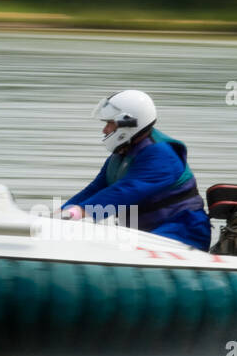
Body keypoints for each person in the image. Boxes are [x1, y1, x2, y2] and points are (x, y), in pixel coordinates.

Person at [62, 90, 211, 250]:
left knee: (113, 250)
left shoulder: (161, 154)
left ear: (128, 123)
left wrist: (80, 211)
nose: (105, 130)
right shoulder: (121, 154)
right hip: (147, 232)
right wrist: (62, 213)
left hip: (183, 231)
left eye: (110, 123)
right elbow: (95, 189)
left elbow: (125, 192)